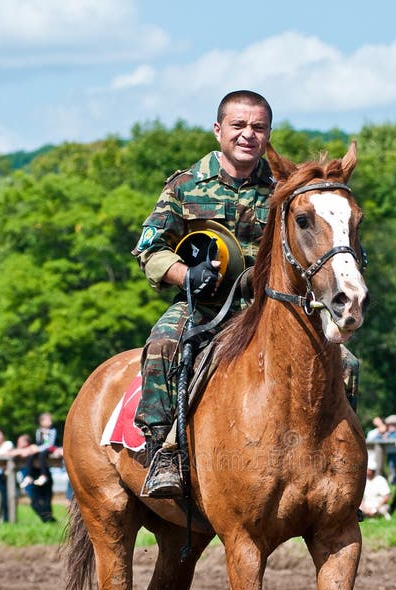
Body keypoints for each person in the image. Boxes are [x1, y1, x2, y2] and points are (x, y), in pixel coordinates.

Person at [131, 90, 274, 498]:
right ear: (218, 131)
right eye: (239, 125)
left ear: (268, 135)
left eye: (258, 127)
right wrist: (184, 274)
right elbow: (149, 248)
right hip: (203, 304)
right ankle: (164, 456)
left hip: (268, 307)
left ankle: (339, 469)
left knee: (344, 361)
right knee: (162, 344)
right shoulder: (185, 185)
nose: (248, 134)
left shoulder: (285, 187)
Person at [360, 452, 391, 519]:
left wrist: (377, 507)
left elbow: (387, 496)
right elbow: (360, 498)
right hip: (365, 506)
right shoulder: (362, 480)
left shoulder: (381, 480)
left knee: (384, 509)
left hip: (379, 505)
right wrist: (365, 508)